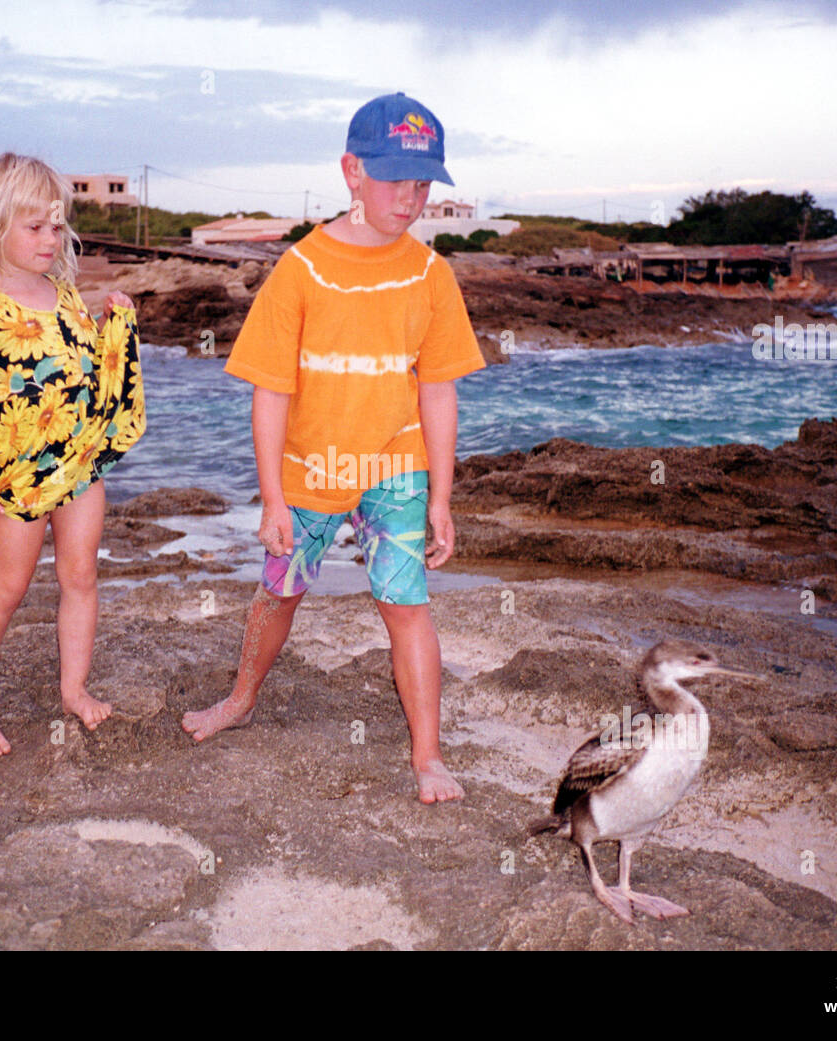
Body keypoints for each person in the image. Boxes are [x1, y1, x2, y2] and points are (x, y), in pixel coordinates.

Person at [181, 93, 485, 803]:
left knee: (406, 603)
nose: (409, 198)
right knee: (279, 591)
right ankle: (241, 697)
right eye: (393, 179)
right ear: (351, 170)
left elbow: (438, 390)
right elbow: (270, 390)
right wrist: (273, 497)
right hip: (310, 468)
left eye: (422, 183)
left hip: (397, 465)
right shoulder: (302, 270)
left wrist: (442, 496)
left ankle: (428, 755)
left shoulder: (430, 274)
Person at [0, 153, 147, 757]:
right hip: (21, 480)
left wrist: (112, 319)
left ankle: (74, 689)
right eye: (33, 227)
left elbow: (85, 370)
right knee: (6, 590)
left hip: (80, 467)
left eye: (56, 226)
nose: (49, 238)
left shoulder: (65, 296)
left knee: (81, 576)